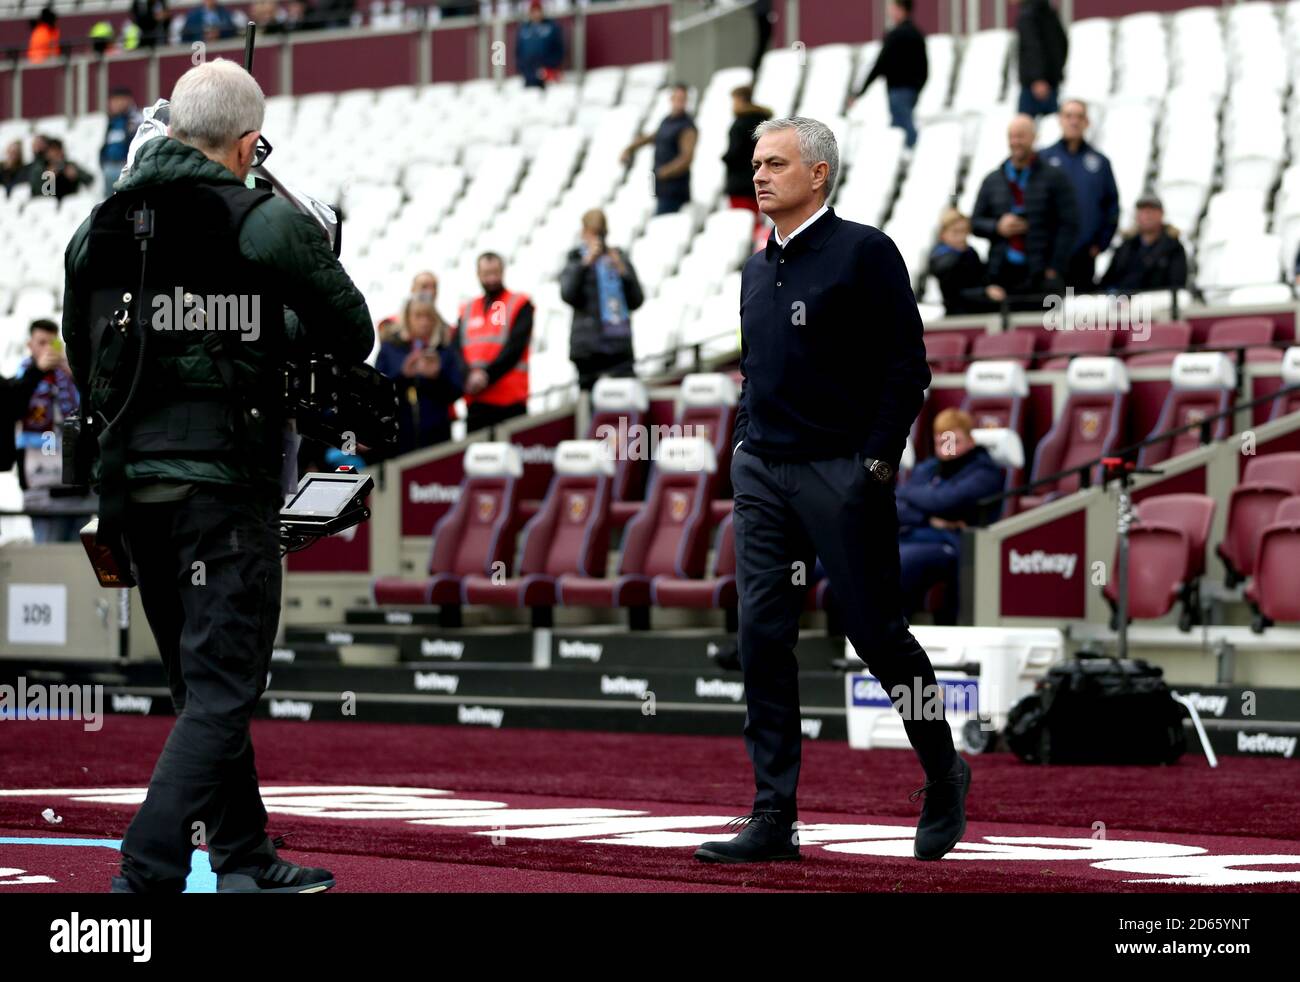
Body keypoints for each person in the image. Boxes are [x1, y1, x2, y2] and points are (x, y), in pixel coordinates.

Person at [62, 58, 373, 894]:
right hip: (220, 489)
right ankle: (148, 872)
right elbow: (354, 332)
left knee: (200, 690)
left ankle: (242, 856)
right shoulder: (261, 220)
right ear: (246, 144)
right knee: (225, 689)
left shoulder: (96, 226)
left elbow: (77, 351)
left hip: (129, 494)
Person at [694, 117, 970, 866]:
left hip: (841, 474)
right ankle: (773, 815)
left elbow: (907, 369)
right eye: (755, 163)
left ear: (818, 175)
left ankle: (944, 772)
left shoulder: (866, 252)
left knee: (877, 636)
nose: (759, 175)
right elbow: (757, 373)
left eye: (776, 163)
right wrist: (746, 444)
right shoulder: (755, 268)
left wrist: (874, 466)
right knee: (761, 637)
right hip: (764, 473)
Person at [896, 409, 1006, 622]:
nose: (947, 448)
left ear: (971, 440)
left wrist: (913, 496)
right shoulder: (927, 468)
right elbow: (894, 503)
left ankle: (893, 638)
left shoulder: (984, 472)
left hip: (956, 545)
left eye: (954, 440)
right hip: (914, 534)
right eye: (941, 442)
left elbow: (945, 501)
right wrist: (928, 519)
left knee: (899, 561)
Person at [2, 321, 95, 543]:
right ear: (29, 345)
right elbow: (11, 408)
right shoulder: (20, 379)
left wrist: (76, 374)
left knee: (78, 559)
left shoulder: (73, 377)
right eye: (41, 343)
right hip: (42, 488)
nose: (47, 349)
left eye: (52, 342)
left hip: (80, 486)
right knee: (48, 555)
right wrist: (37, 371)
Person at [970, 114, 1078, 301]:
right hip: (1002, 274)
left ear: (1034, 138)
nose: (1016, 141)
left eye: (1021, 136)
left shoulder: (1055, 177)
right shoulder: (992, 180)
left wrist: (1054, 267)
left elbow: (1069, 224)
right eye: (1012, 136)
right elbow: (975, 223)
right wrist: (997, 227)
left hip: (1042, 274)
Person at [560, 208, 644, 390]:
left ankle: (623, 421)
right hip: (588, 347)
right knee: (590, 403)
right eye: (593, 233)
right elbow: (568, 294)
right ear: (583, 233)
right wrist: (585, 264)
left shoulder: (618, 257)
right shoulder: (575, 259)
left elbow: (637, 300)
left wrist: (623, 272)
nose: (597, 239)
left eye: (600, 233)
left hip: (619, 344)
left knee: (622, 403)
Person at [1040, 99, 1119, 292]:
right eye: (1068, 116)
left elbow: (1112, 206)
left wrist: (1100, 244)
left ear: (1087, 122)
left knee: (1081, 316)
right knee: (1049, 317)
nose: (1073, 121)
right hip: (1049, 257)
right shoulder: (1043, 159)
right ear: (1060, 120)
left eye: (1079, 116)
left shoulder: (1100, 163)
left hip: (1084, 255)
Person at [453, 252, 532, 432]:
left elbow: (515, 347)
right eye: (487, 274)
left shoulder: (519, 303)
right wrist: (468, 376)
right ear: (478, 275)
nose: (491, 279)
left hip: (510, 401)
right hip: (476, 403)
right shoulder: (467, 309)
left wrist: (486, 376)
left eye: (495, 273)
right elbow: (456, 349)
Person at [376, 294, 463, 455]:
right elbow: (377, 393)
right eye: (418, 316)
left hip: (437, 437)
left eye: (428, 317)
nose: (424, 322)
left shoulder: (443, 349)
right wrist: (403, 375)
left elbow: (457, 390)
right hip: (399, 438)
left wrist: (437, 376)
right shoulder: (390, 348)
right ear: (407, 318)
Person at [853, 0, 927, 148]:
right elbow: (924, 66)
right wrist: (918, 86)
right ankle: (903, 157)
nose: (890, 12)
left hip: (897, 90)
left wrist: (859, 92)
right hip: (912, 90)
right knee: (898, 125)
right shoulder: (917, 34)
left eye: (892, 8)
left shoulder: (894, 35)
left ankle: (915, 153)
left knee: (903, 127)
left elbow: (880, 65)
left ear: (901, 9)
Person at [621, 83, 697, 216]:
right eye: (677, 98)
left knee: (664, 226)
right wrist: (630, 148)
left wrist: (664, 172)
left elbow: (686, 158)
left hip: (675, 189)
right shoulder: (667, 120)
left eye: (683, 99)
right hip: (662, 187)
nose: (680, 102)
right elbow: (654, 137)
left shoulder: (687, 127)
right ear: (671, 99)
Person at [1099, 192, 1188, 296]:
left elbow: (1177, 286)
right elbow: (1107, 281)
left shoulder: (1174, 248)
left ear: (1161, 214)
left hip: (1158, 308)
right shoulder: (1125, 247)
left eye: (1152, 211)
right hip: (1122, 308)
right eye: (1143, 211)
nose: (1147, 215)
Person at [928, 208, 1006, 315]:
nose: (962, 237)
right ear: (943, 234)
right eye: (956, 232)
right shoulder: (942, 259)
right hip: (958, 316)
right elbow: (954, 295)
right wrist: (985, 292)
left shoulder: (970, 252)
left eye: (965, 231)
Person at [722, 86, 772, 213]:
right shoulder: (762, 121)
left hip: (739, 183)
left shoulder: (740, 124)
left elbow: (735, 153)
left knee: (740, 221)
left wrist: (725, 158)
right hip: (758, 181)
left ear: (740, 99)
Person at [1014, 0, 1068, 118]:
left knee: (1024, 127)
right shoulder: (1047, 11)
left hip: (1035, 85)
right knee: (1051, 126)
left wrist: (1038, 78)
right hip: (1050, 82)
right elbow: (1063, 43)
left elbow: (1032, 47)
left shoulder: (1028, 15)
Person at [100, 88, 142, 194]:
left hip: (126, 168)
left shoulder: (135, 120)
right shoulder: (112, 122)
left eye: (116, 101)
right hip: (109, 166)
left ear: (126, 100)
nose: (112, 104)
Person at [516, 0, 564, 89]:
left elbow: (559, 50)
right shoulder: (524, 30)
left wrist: (548, 65)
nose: (536, 14)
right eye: (533, 11)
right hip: (528, 75)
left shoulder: (552, 28)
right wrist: (524, 70)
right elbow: (518, 52)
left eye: (538, 11)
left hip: (548, 73)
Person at [29, 139, 94, 199]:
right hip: (47, 205)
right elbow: (35, 192)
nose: (54, 155)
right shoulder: (40, 168)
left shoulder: (69, 165)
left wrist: (76, 174)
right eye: (52, 152)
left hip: (70, 203)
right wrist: (47, 180)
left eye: (57, 151)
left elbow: (89, 179)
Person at [750, 0, 773, 75]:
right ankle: (755, 68)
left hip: (764, 11)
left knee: (763, 42)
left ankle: (755, 68)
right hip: (763, 12)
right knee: (763, 41)